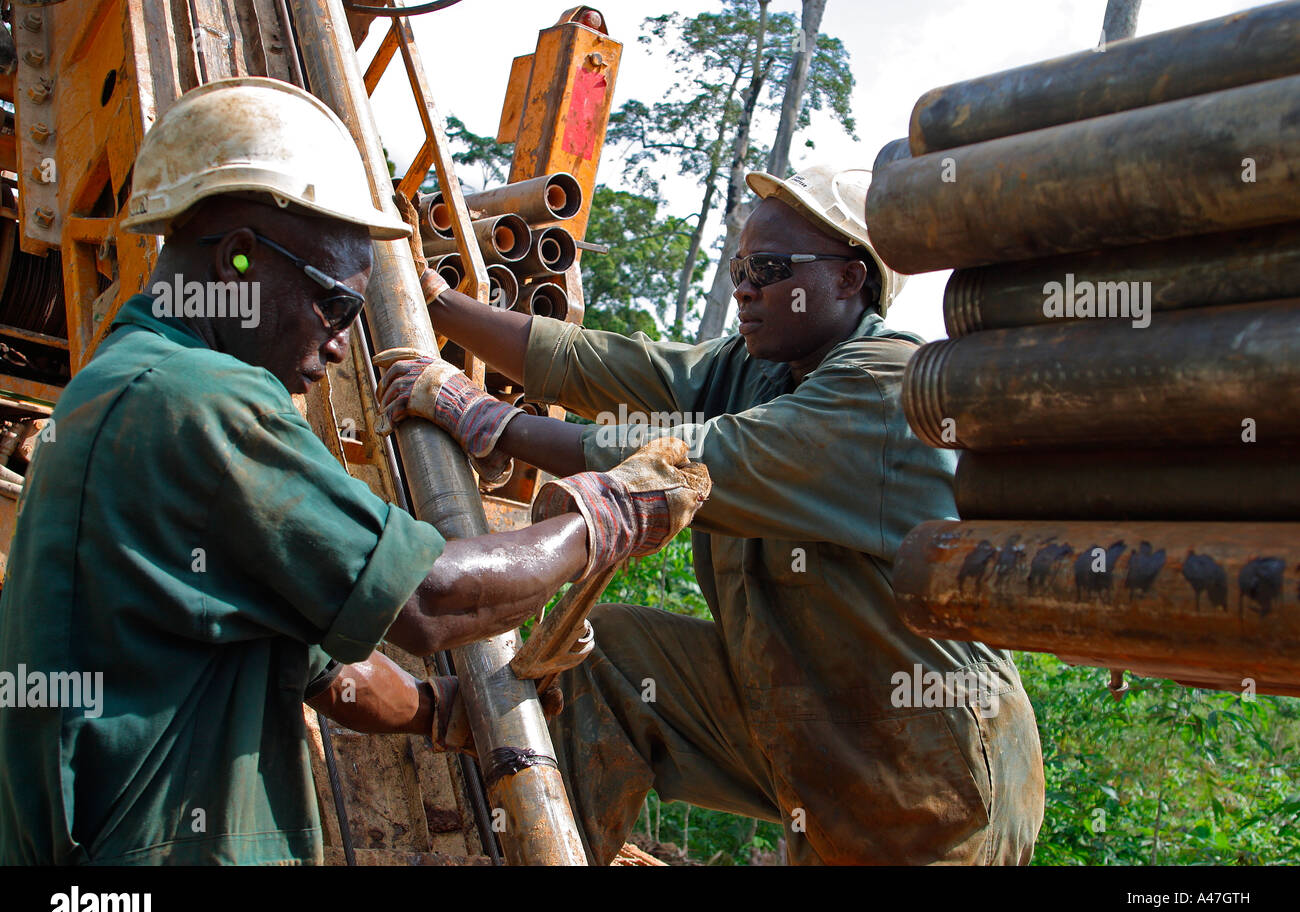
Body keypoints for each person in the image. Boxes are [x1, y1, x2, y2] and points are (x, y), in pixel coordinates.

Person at [0, 77, 705, 865]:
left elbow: (322, 669)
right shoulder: (201, 400)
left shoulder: (125, 382)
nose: (341, 346)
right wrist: (601, 518)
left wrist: (438, 713)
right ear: (236, 256)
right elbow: (430, 598)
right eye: (335, 306)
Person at [377, 165, 1047, 865]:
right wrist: (441, 304)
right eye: (739, 267)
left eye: (769, 267)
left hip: (929, 772)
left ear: (850, 280)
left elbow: (697, 461)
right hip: (805, 719)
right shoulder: (759, 368)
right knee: (607, 654)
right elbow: (608, 367)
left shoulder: (884, 390)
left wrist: (489, 421)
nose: (744, 287)